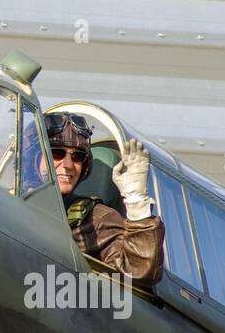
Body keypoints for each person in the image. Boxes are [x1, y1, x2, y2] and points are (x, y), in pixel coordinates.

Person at [46, 113, 165, 286]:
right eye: (57, 153)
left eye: (78, 157)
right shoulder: (11, 202)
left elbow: (138, 273)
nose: (68, 165)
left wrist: (136, 200)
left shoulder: (95, 218)